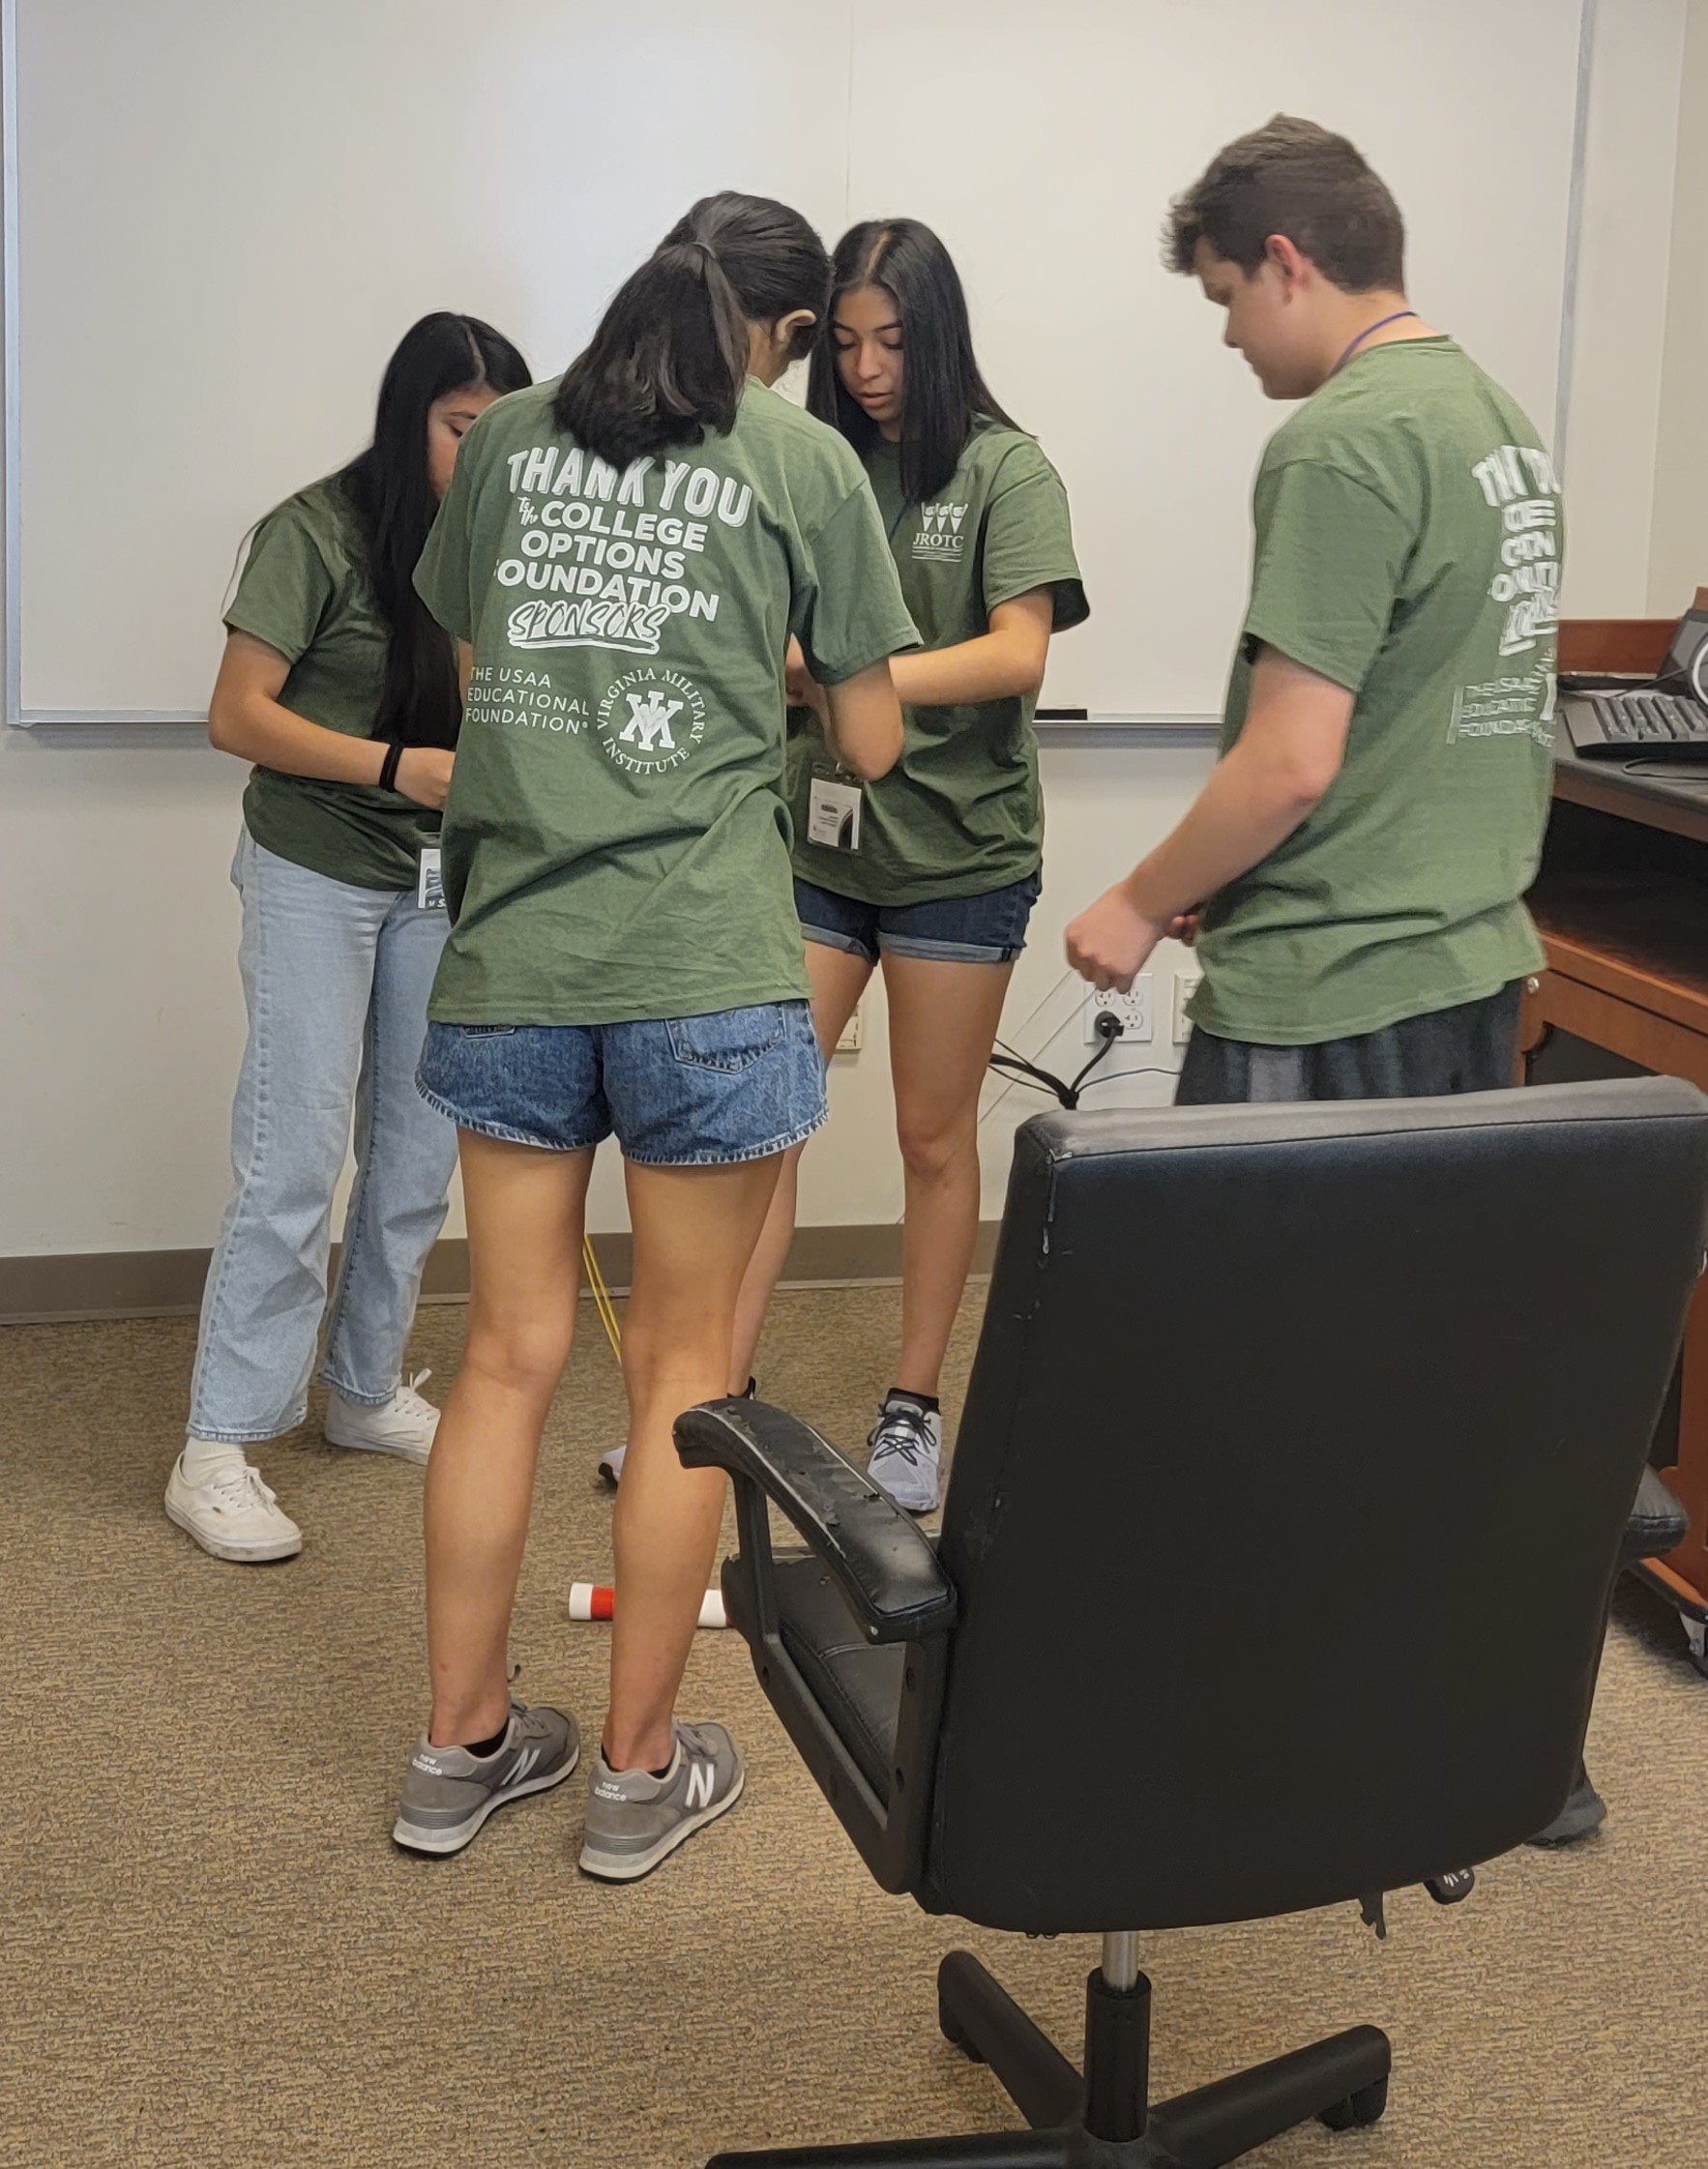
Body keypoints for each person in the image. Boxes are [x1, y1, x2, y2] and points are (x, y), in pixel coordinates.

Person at [390, 193, 913, 1877]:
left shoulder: (514, 443)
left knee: (499, 1357)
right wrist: (754, 669)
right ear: (772, 340)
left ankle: (456, 1751)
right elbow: (879, 739)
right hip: (700, 957)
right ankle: (634, 1771)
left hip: (517, 950)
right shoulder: (796, 461)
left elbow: (486, 679)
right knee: (684, 1371)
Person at [1066, 117, 1560, 1104]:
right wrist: (1222, 873)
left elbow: (1291, 762)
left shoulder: (1339, 440)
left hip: (1327, 991)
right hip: (1467, 971)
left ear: (1283, 264)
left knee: (1259, 1266)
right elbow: (1411, 715)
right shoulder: (1495, 419)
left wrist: (1136, 898)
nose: (1227, 334)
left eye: (1225, 296)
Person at [712, 219, 1085, 1518]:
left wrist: (850, 677)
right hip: (814, 842)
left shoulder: (1001, 468)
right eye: (847, 342)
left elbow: (1015, 652)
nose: (869, 369)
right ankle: (716, 1391)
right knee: (765, 1117)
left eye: (893, 341)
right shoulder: (809, 459)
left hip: (956, 855)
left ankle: (912, 1404)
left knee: (932, 1136)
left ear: (939, 335)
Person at [165, 313, 532, 1566]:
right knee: (293, 1152)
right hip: (316, 861)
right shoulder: (312, 530)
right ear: (408, 417)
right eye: (460, 430)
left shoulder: (488, 542)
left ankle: (365, 1386)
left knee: (419, 1150)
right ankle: (218, 1440)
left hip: (439, 874)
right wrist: (394, 765)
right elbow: (235, 715)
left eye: (499, 436)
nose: (477, 456)